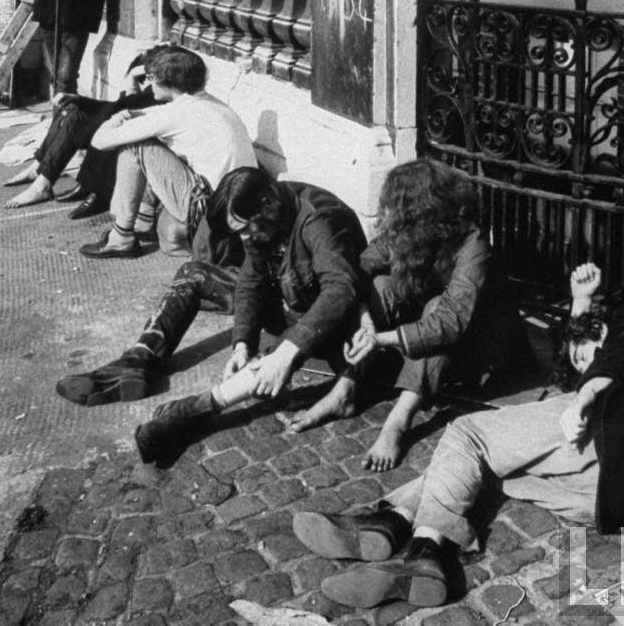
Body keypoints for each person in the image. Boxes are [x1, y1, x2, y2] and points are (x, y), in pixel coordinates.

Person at [293, 263, 624, 611]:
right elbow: (590, 364)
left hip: (615, 455)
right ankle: (392, 519)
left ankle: (426, 552)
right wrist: (580, 305)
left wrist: (590, 389)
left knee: (466, 434)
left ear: (603, 332)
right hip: (618, 502)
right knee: (483, 469)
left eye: (588, 357)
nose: (584, 373)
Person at [280, 159, 530, 472]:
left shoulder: (473, 243)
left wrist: (379, 339)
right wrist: (365, 317)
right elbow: (358, 270)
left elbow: (450, 322)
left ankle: (397, 422)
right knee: (382, 285)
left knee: (437, 309)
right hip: (423, 331)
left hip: (477, 348)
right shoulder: (408, 231)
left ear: (426, 214)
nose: (391, 220)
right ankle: (346, 389)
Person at [131, 166, 367, 464]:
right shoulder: (262, 222)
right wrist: (242, 343)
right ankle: (142, 357)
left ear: (266, 208)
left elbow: (340, 291)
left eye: (244, 229)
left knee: (273, 361)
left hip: (335, 321)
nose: (244, 239)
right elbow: (251, 280)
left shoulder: (317, 219)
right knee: (194, 274)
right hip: (294, 304)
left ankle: (196, 409)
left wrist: (284, 356)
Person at [55, 165, 253, 407]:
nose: (246, 237)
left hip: (287, 305)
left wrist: (246, 342)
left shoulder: (308, 218)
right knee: (193, 273)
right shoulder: (256, 212)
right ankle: (137, 360)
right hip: (265, 285)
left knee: (198, 271)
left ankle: (138, 361)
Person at [79, 47, 256, 260]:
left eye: (151, 78)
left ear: (169, 82)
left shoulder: (178, 113)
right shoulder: (208, 104)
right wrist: (133, 113)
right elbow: (160, 114)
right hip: (236, 206)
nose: (148, 83)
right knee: (154, 146)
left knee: (136, 145)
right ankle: (143, 220)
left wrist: (117, 119)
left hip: (210, 210)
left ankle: (122, 237)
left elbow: (99, 141)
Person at [2, 45, 168, 214]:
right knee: (69, 111)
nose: (148, 81)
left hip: (127, 131)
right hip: (120, 122)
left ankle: (43, 183)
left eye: (150, 77)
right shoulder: (155, 88)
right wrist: (77, 99)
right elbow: (124, 104)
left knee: (74, 117)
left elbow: (119, 107)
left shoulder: (162, 93)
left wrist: (131, 79)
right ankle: (39, 168)